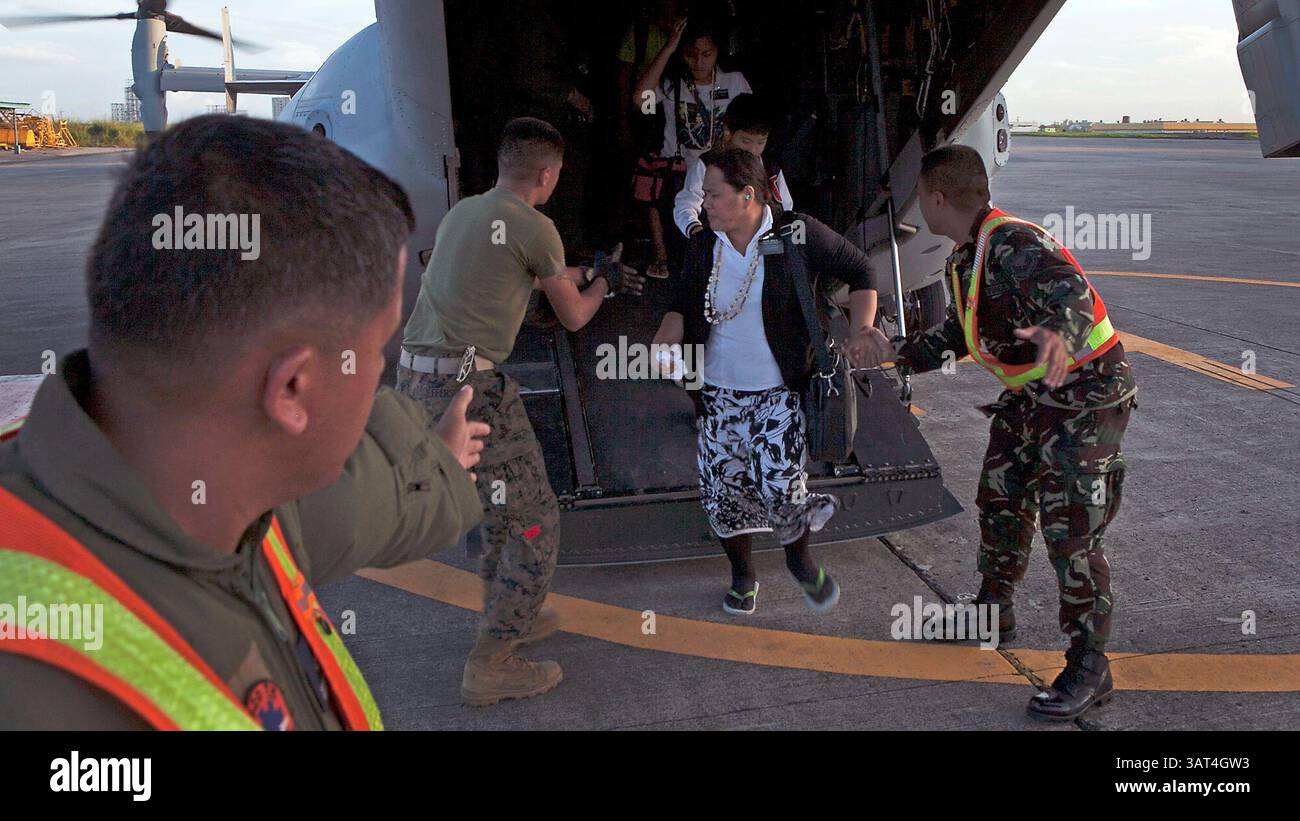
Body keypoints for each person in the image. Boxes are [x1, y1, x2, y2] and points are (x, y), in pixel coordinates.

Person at [0, 116, 488, 730]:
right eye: (377, 351)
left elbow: (373, 491)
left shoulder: (229, 491)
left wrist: (440, 460)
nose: (379, 379)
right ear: (291, 388)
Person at [857, 144, 1138, 721]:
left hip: (1086, 397)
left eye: (921, 197)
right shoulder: (972, 252)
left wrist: (1057, 338)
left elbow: (1075, 299)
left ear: (936, 199)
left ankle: (1091, 663)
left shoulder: (1015, 243)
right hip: (1038, 394)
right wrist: (899, 354)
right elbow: (967, 333)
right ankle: (993, 610)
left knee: (1072, 530)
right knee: (1002, 495)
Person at [396, 117, 643, 707]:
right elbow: (575, 315)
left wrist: (581, 271)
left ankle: (514, 614)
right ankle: (492, 663)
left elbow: (502, 278)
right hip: (469, 388)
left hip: (415, 376)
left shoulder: (466, 213)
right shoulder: (538, 227)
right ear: (549, 175)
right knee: (537, 519)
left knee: (503, 512)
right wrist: (604, 283)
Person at [652, 149, 879, 615]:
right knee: (724, 494)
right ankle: (742, 575)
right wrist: (663, 341)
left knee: (782, 488)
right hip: (715, 398)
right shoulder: (703, 245)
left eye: (713, 195)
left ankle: (800, 562)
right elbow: (680, 304)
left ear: (747, 195)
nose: (705, 205)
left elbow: (861, 269)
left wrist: (861, 329)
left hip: (780, 395)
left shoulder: (797, 233)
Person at [633, 17, 751, 278]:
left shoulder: (733, 81)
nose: (699, 62)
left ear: (718, 51)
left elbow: (751, 121)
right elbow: (641, 99)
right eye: (690, 54)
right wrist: (668, 49)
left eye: (706, 54)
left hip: (720, 164)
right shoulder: (673, 84)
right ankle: (662, 256)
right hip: (680, 165)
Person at [674, 92, 793, 238]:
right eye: (746, 141)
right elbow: (686, 205)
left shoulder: (770, 167)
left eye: (761, 142)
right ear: (727, 132)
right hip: (718, 245)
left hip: (765, 247)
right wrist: (696, 232)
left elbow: (786, 208)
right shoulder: (707, 164)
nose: (753, 150)